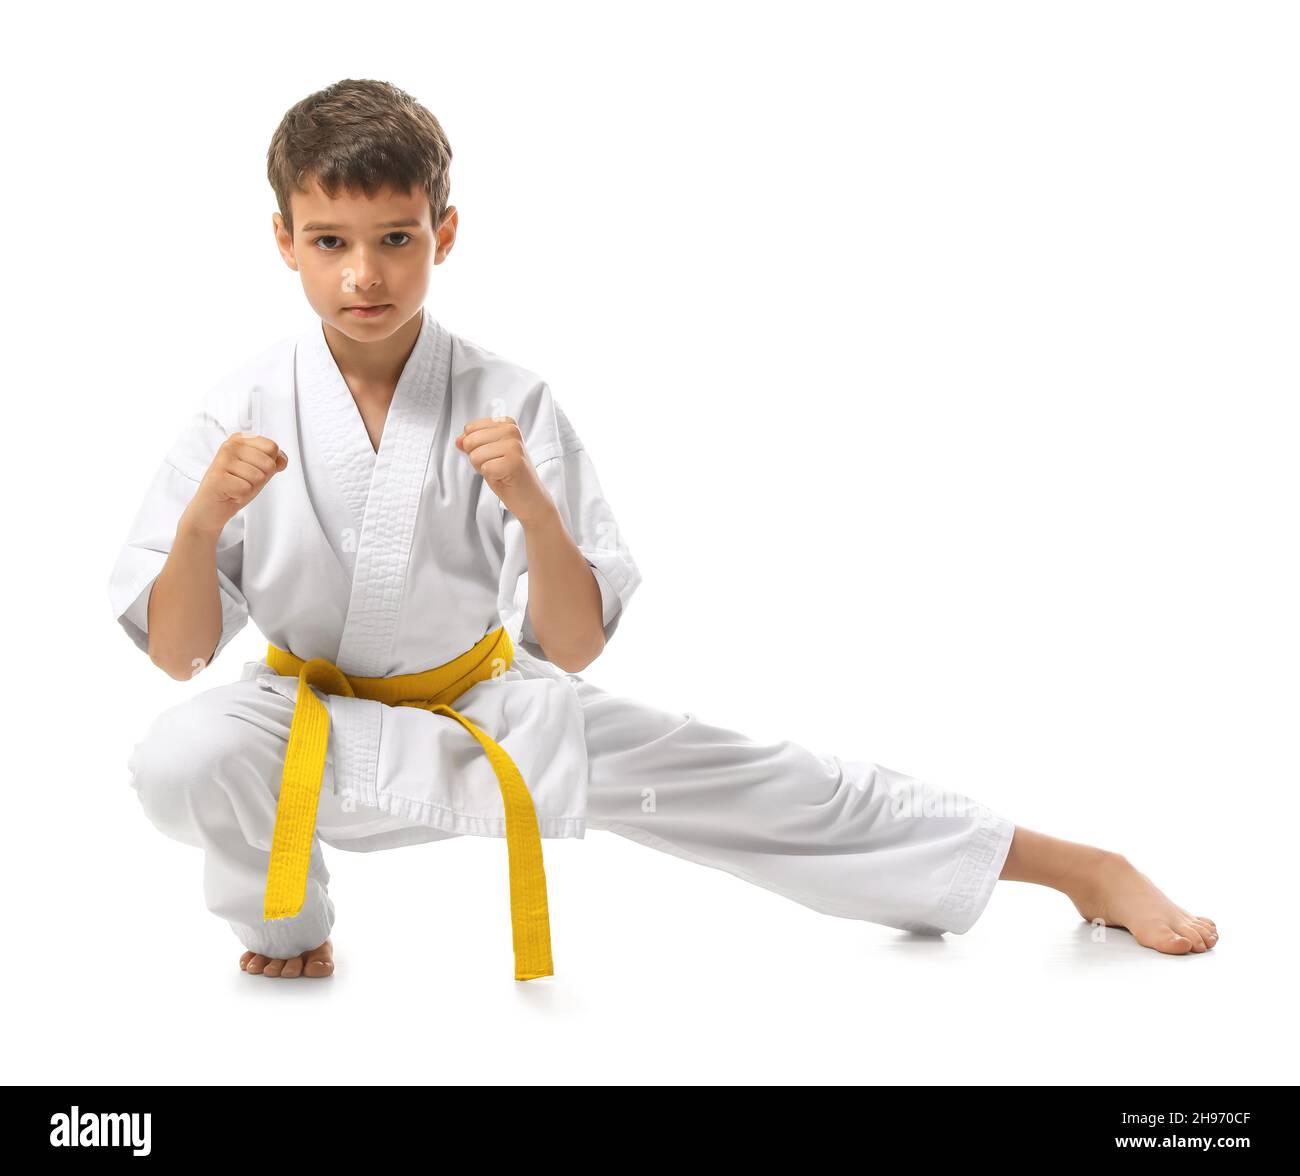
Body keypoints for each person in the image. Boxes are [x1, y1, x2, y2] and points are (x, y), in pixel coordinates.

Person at [107, 78, 1218, 981]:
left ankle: (1078, 866)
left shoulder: (510, 397)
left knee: (759, 781)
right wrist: (202, 521)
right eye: (330, 241)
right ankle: (287, 929)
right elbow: (181, 657)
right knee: (178, 758)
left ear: (445, 232)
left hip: (489, 715)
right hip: (305, 731)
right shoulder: (242, 405)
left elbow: (577, 649)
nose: (364, 274)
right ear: (283, 242)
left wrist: (534, 509)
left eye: (395, 237)